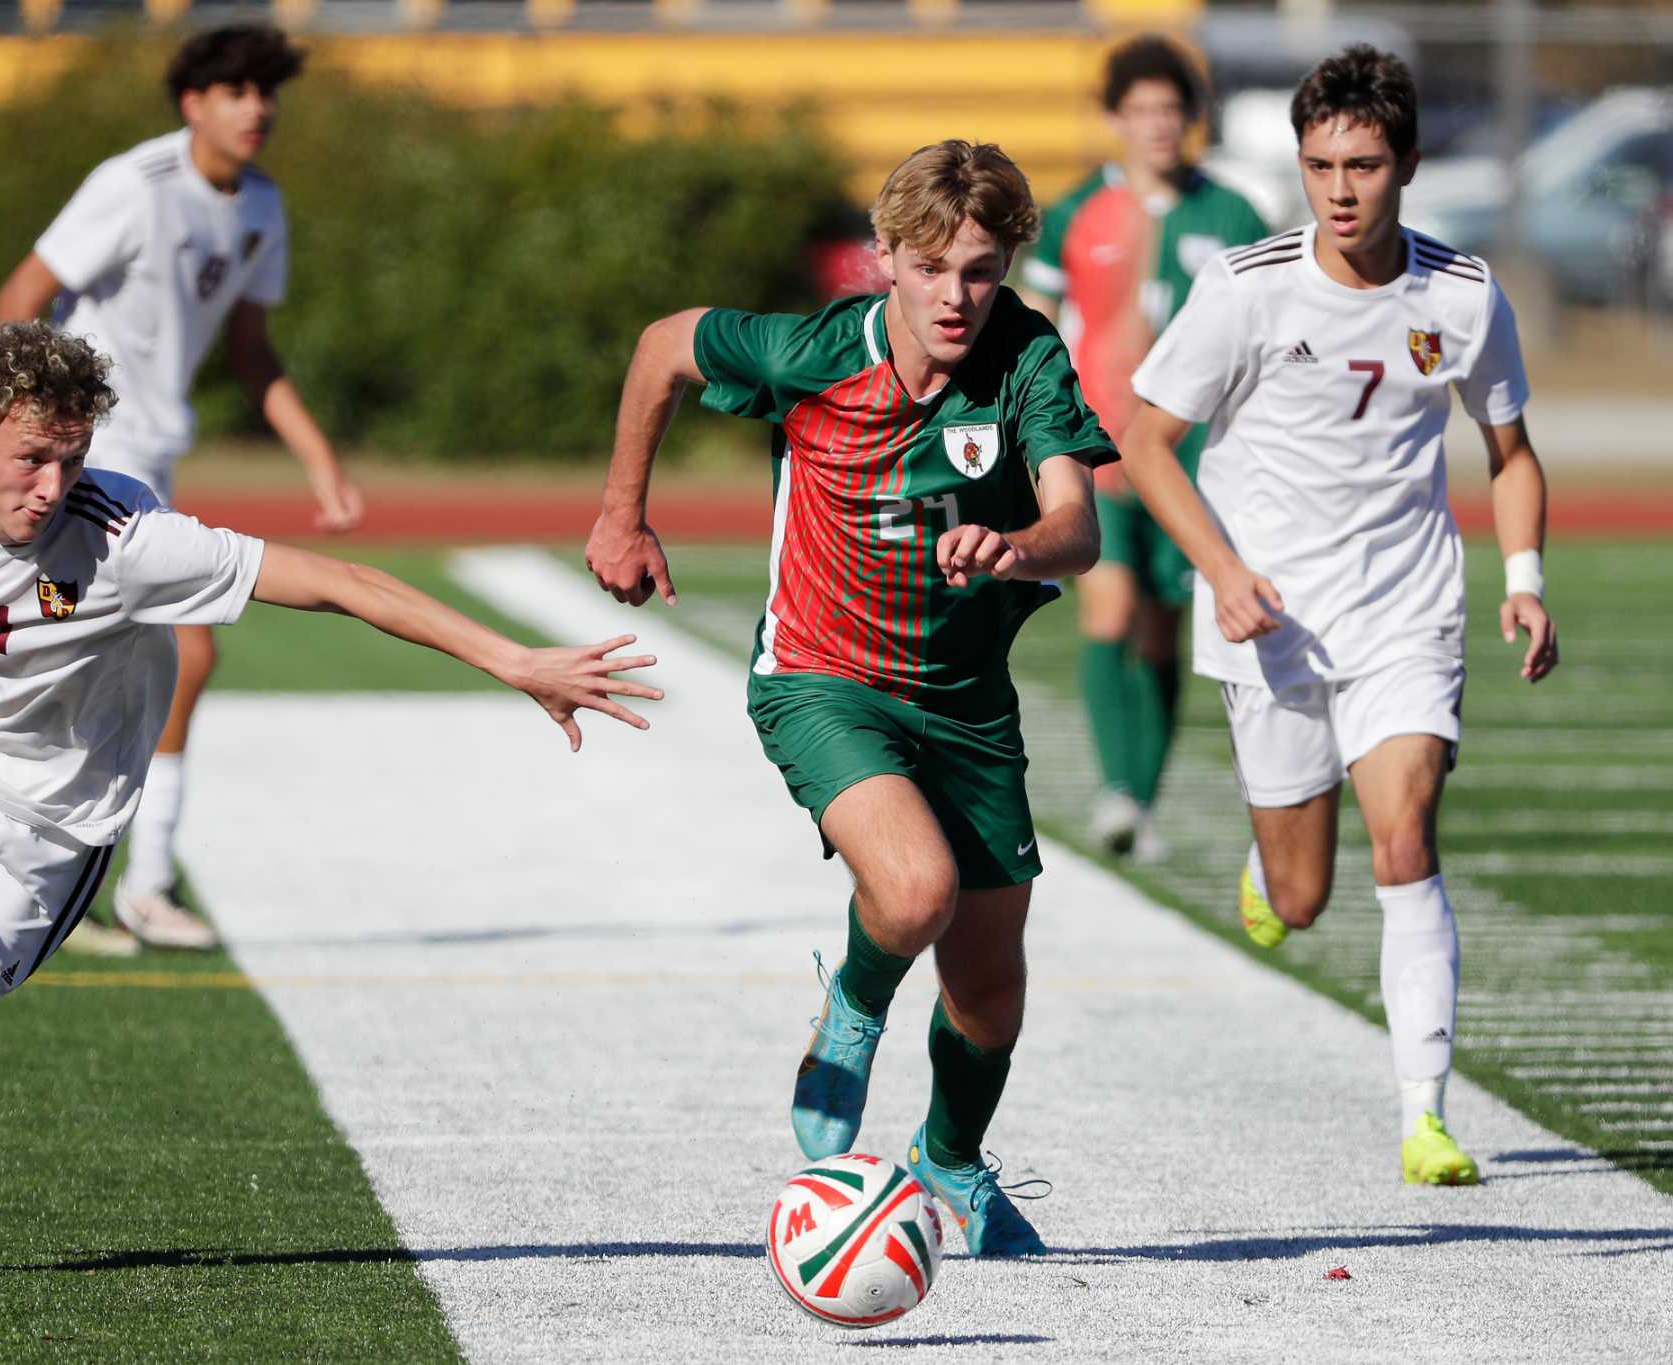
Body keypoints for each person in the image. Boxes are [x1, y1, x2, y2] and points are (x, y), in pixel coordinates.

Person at [0, 323, 659, 1287]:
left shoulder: (129, 538)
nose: (52, 486)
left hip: (50, 829)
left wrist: (514, 660)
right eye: (30, 458)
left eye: (72, 458)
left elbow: (341, 582)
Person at [585, 141, 1114, 1256]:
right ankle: (855, 1001)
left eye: (978, 268)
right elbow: (657, 348)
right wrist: (622, 512)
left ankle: (950, 1166)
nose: (954, 295)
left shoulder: (1025, 355)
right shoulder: (812, 352)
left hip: (967, 702)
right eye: (929, 268)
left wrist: (1015, 547)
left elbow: (1078, 523)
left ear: (1007, 262)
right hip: (821, 680)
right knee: (912, 891)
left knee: (988, 987)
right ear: (881, 259)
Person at [1118, 46, 1558, 1186]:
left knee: (1405, 841)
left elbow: (1509, 455)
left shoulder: (1459, 296)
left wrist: (1523, 579)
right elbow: (1144, 441)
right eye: (1319, 166)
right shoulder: (1247, 287)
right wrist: (1218, 570)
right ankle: (1274, 879)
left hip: (1403, 612)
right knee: (1302, 898)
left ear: (1405, 163)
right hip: (1267, 623)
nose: (1340, 189)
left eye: (1362, 163)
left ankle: (1424, 1116)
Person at [0, 25, 359, 953]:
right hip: (94, 452)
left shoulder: (261, 207)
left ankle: (60, 877)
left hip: (151, 454)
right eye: (235, 89)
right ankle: (130, 883)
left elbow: (250, 351)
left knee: (86, 657)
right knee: (172, 658)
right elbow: (21, 293)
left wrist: (317, 456)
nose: (256, 107)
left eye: (266, 90)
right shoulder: (136, 184)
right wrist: (30, 429)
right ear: (192, 102)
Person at [1020, 34, 1269, 860]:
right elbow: (1036, 327)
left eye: (1173, 110)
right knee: (1110, 607)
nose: (1159, 126)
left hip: (1194, 464)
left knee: (1163, 628)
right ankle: (1118, 794)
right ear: (1113, 119)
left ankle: (1143, 797)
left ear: (1192, 118)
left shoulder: (1232, 216)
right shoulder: (1075, 213)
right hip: (1096, 454)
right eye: (1142, 111)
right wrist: (1036, 430)